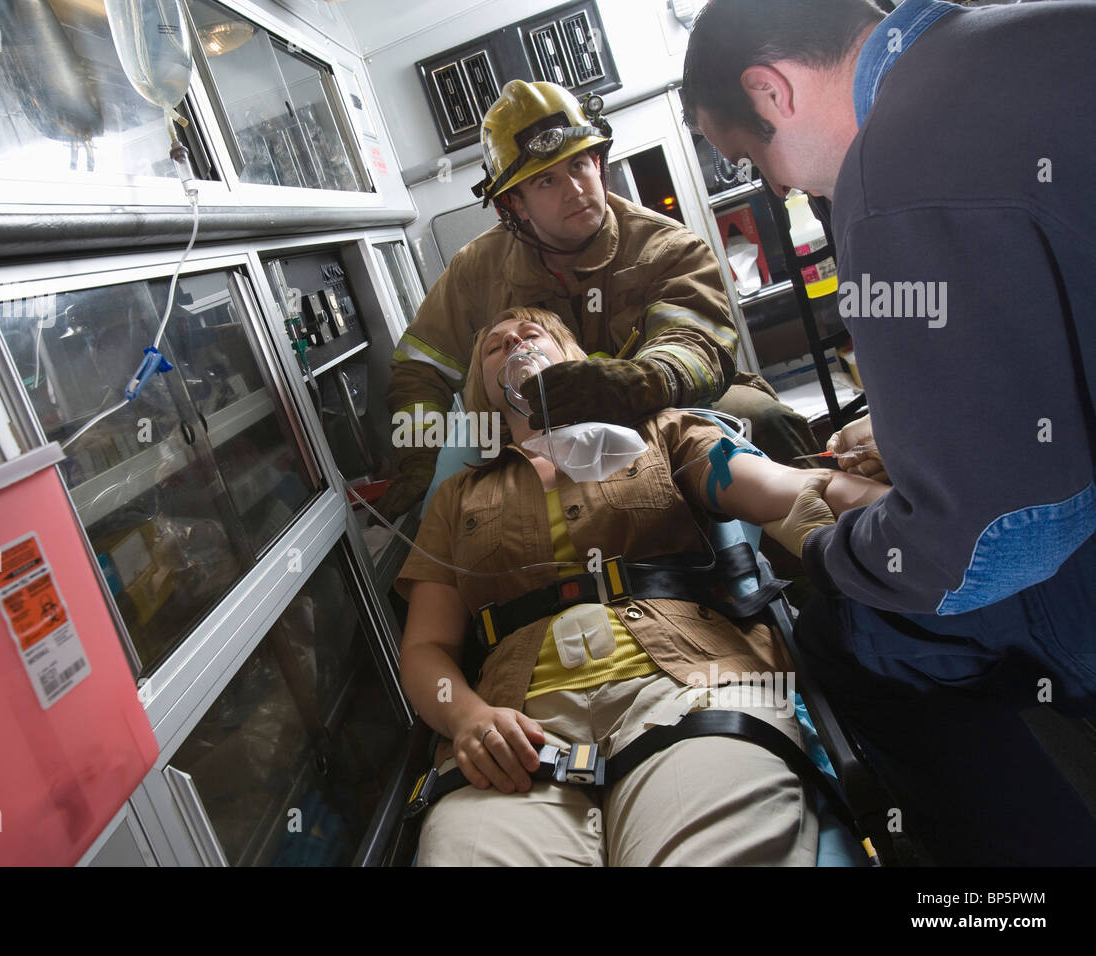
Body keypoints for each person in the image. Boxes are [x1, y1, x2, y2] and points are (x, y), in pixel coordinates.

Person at [681, 0, 1096, 863]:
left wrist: (833, 538)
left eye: (755, 159)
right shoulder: (1029, 34)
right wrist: (919, 427)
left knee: (852, 627)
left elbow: (991, 543)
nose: (781, 187)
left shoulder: (888, 175)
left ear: (772, 91)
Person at [395, 306, 886, 866]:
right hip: (517, 730)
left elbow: (785, 491)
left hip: (687, 689)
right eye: (494, 345)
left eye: (533, 333)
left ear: (576, 360)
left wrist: (900, 514)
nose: (514, 341)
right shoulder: (456, 496)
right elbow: (425, 647)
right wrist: (467, 719)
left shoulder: (662, 433)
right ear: (481, 391)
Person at [380, 79, 817, 519]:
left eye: (579, 166)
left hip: (662, 407)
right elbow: (420, 368)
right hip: (537, 433)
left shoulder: (666, 246)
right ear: (515, 204)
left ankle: (821, 556)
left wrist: (639, 381)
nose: (573, 189)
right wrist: (421, 459)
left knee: (764, 419)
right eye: (547, 180)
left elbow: (697, 345)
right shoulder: (476, 271)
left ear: (599, 163)